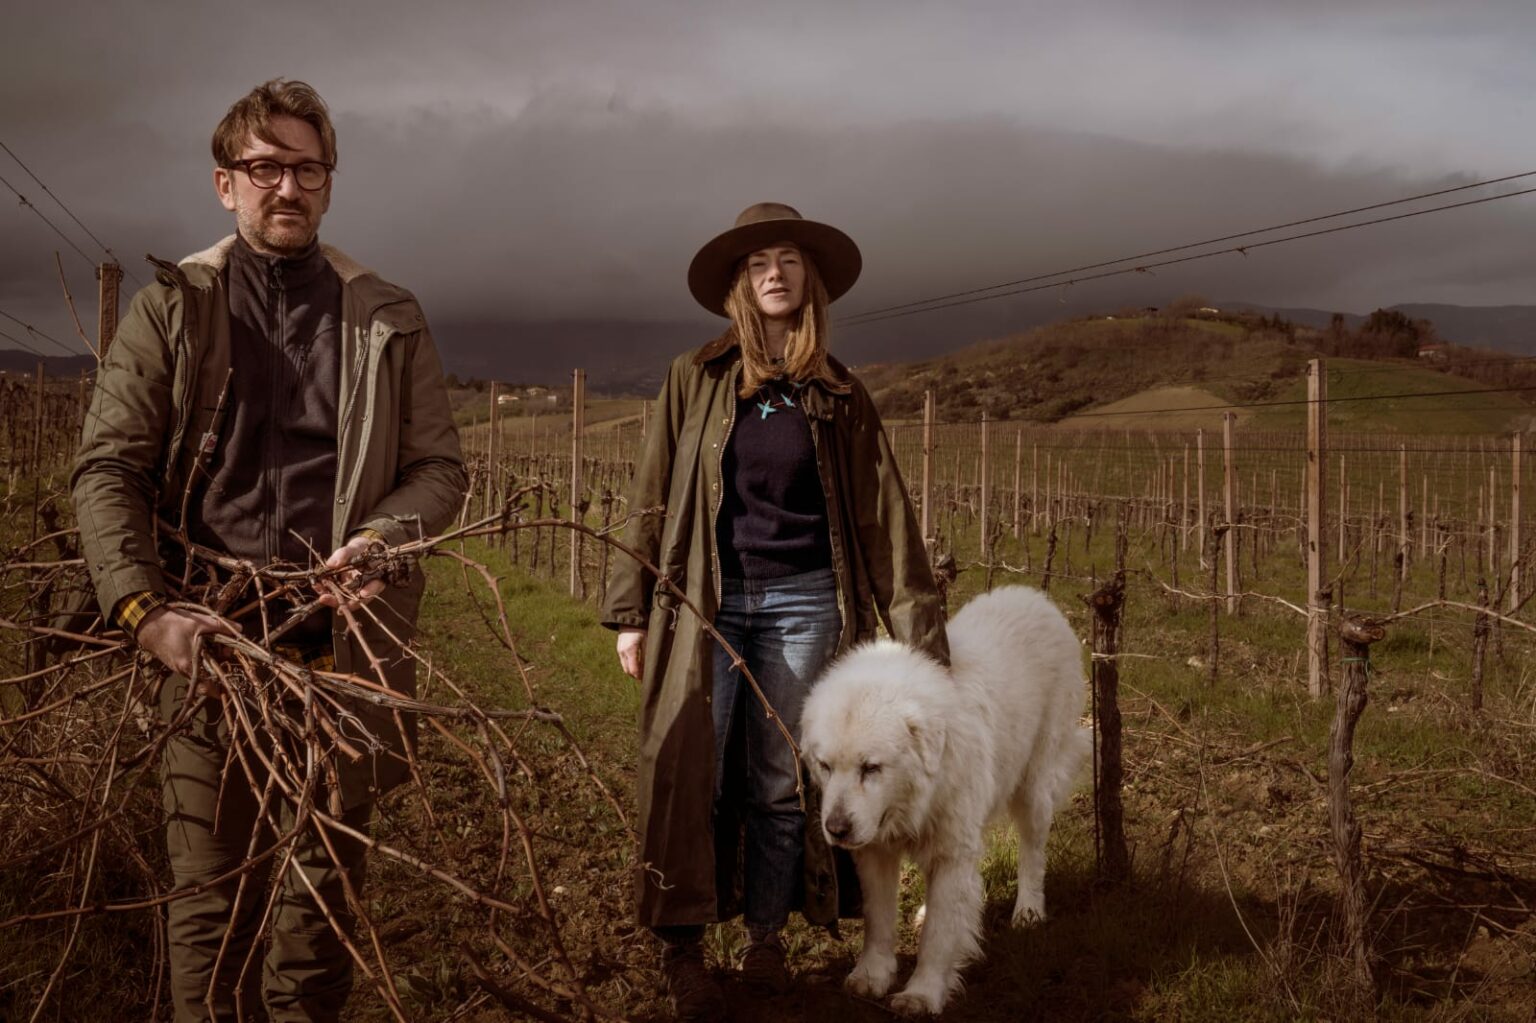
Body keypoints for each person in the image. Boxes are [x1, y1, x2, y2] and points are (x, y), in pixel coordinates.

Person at [70, 79, 466, 1022]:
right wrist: (146, 610)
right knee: (212, 912)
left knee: (318, 922)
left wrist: (377, 541)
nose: (287, 186)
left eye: (308, 169)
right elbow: (108, 469)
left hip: (343, 657)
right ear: (225, 183)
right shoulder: (174, 309)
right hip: (210, 653)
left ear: (330, 182)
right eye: (266, 167)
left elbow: (439, 469)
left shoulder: (386, 315)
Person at [600, 202, 949, 1020]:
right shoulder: (695, 377)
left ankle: (765, 938)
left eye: (788, 259)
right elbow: (651, 490)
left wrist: (926, 648)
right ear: (738, 284)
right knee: (690, 768)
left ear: (809, 278)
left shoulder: (838, 392)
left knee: (782, 778)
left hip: (805, 602)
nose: (774, 274)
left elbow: (885, 515)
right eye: (758, 262)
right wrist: (630, 608)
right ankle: (683, 950)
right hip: (707, 602)